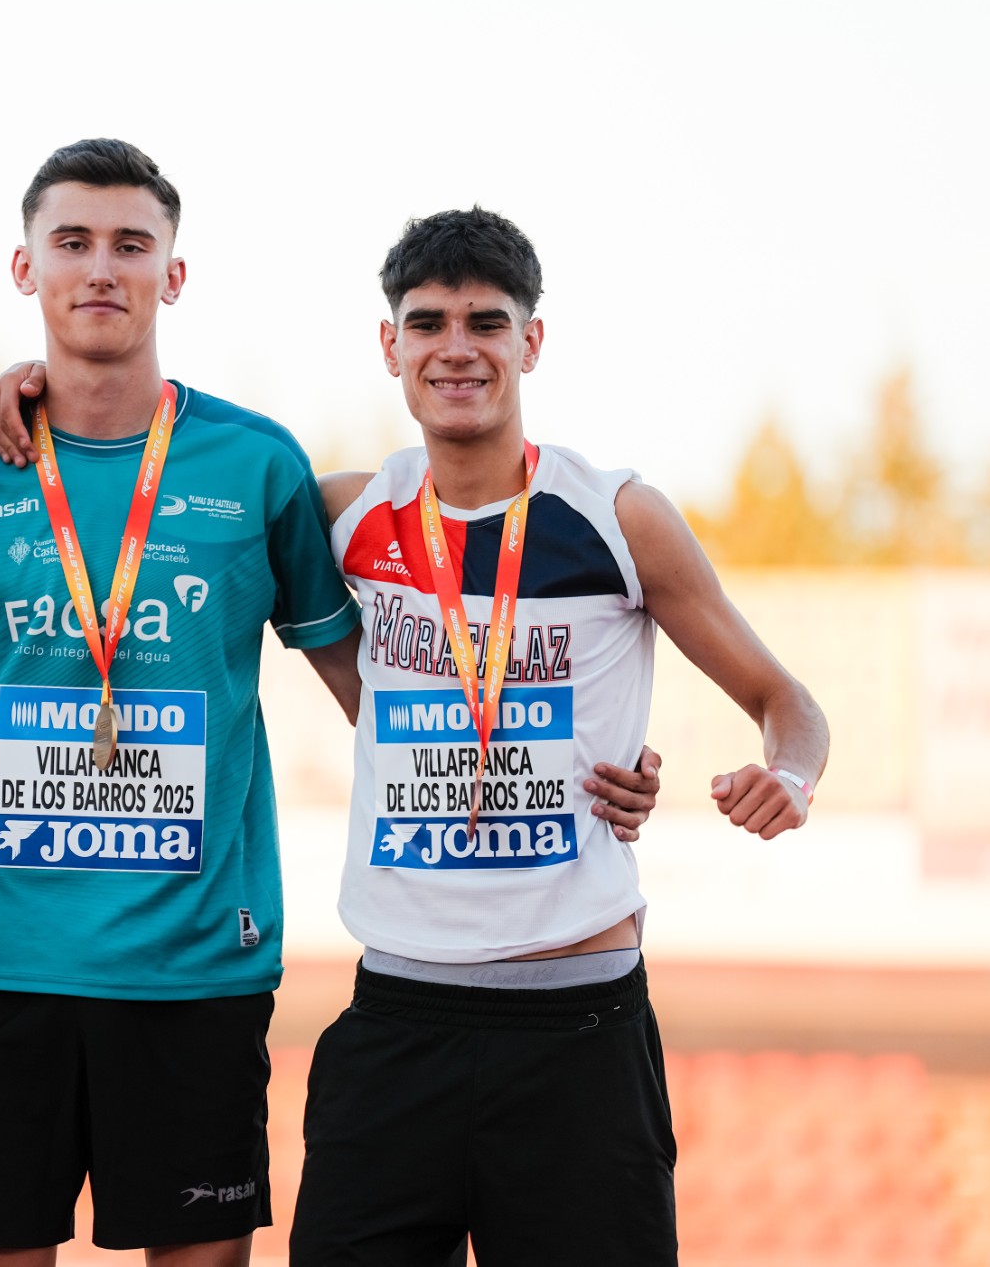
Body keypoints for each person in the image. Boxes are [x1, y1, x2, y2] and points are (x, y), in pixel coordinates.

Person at [278, 208, 828, 1265]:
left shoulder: (619, 517)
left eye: (487, 321)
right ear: (389, 344)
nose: (456, 347)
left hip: (577, 1032)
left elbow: (787, 700)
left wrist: (790, 774)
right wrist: (41, 377)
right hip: (395, 1019)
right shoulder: (345, 516)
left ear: (531, 342)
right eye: (428, 321)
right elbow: (172, 501)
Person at [0, 138, 367, 1266]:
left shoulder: (258, 464)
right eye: (74, 243)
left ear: (173, 276)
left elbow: (370, 699)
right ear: (26, 268)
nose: (102, 268)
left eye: (131, 245)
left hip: (195, 969)